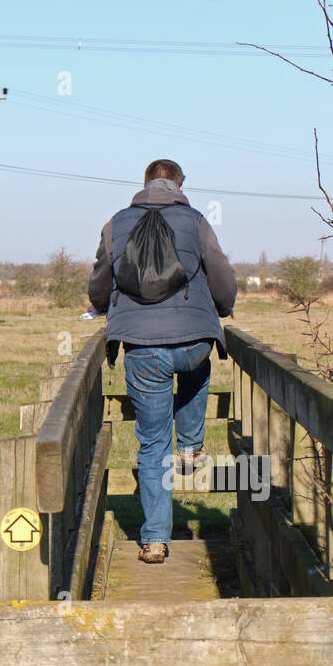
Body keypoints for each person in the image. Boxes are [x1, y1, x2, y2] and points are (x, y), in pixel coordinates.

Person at [87, 159, 237, 563]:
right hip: (193, 340)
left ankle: (155, 539)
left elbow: (101, 277)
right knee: (196, 367)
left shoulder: (116, 223)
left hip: (141, 346)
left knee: (152, 446)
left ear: (145, 183)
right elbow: (220, 270)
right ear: (180, 184)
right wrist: (223, 308)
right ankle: (190, 447)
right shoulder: (196, 221)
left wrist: (101, 307)